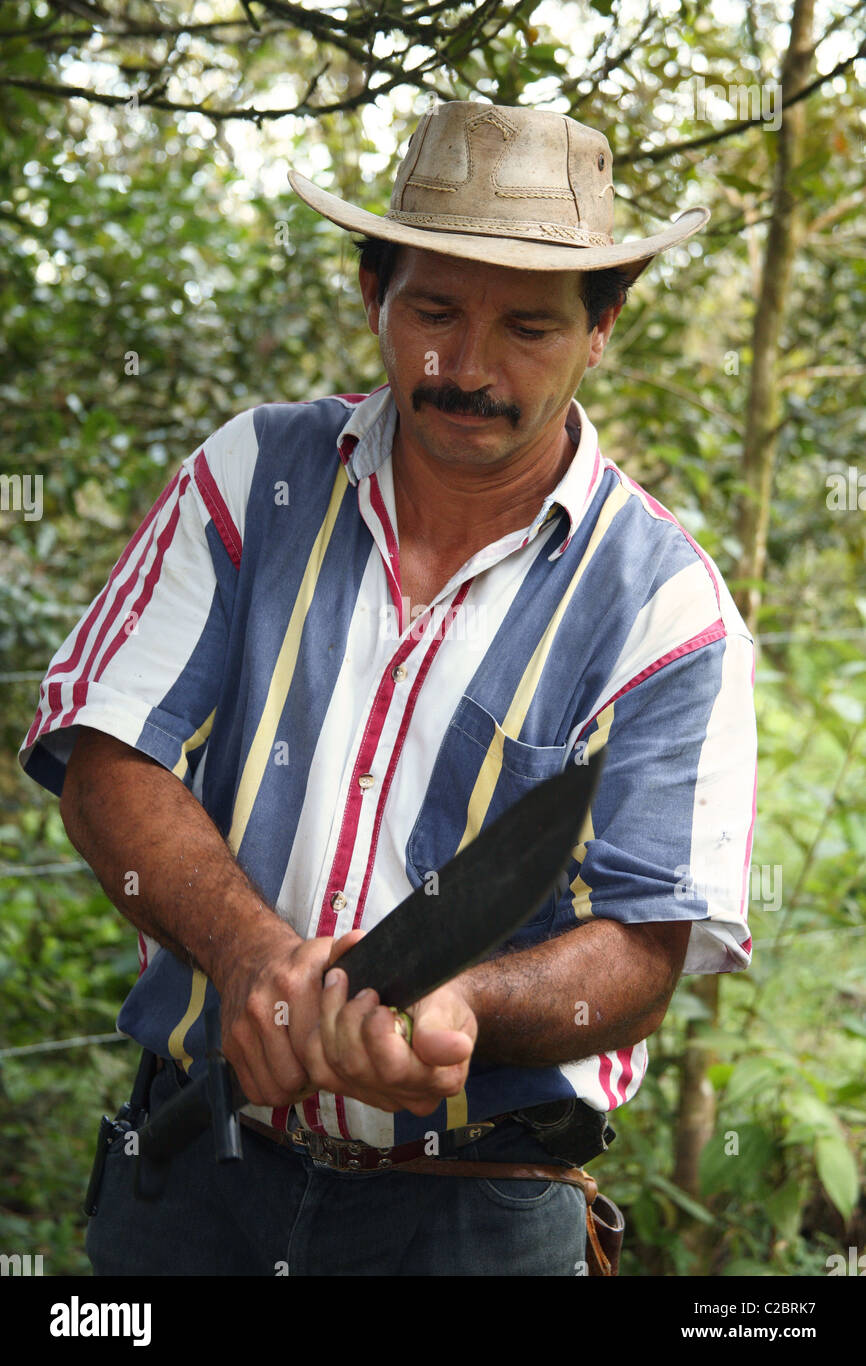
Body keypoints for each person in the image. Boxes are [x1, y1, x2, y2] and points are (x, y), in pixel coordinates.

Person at [20, 100, 756, 1277]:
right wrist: (251, 958)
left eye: (525, 327)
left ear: (599, 327)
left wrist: (464, 1001)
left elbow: (641, 944)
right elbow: (109, 759)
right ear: (373, 299)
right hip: (194, 1183)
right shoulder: (251, 475)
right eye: (430, 311)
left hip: (478, 1216)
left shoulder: (665, 608)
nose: (465, 369)